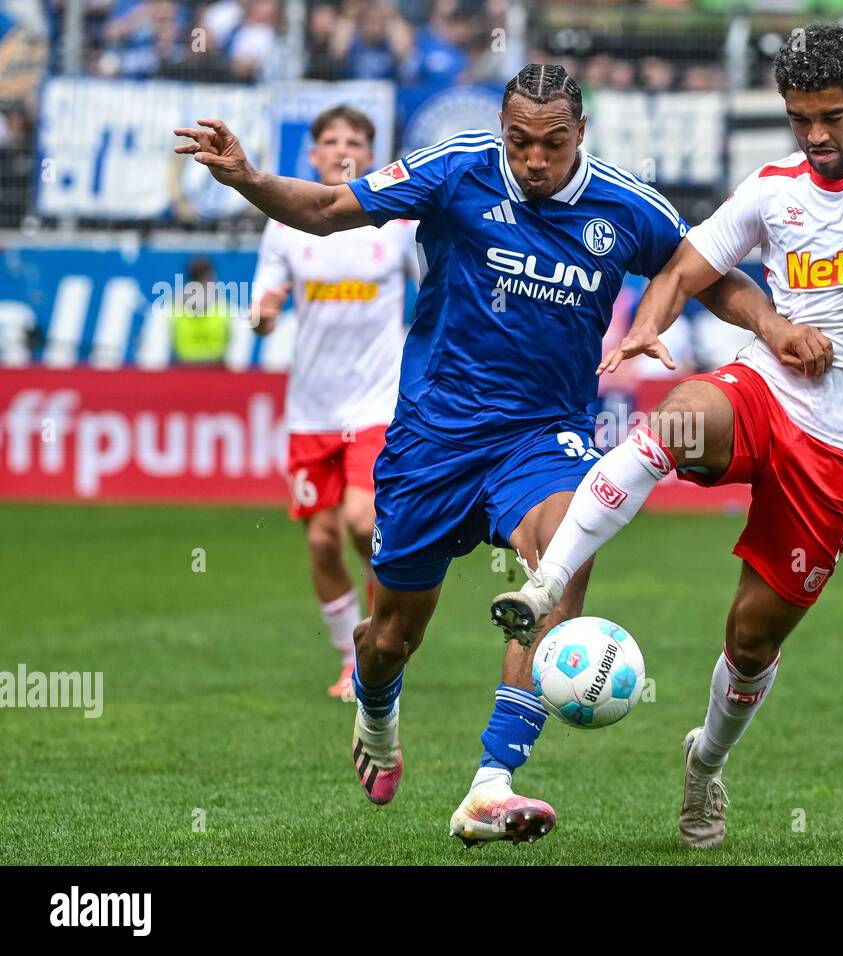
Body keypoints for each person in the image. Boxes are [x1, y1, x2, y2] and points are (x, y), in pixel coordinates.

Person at [175, 63, 780, 847]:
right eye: (520, 142)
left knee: (564, 551)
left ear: (581, 136)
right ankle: (377, 711)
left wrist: (773, 328)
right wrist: (247, 176)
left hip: (543, 435)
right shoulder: (456, 168)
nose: (534, 160)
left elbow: (705, 275)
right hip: (432, 438)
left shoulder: (627, 208)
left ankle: (491, 784)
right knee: (390, 637)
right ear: (502, 132)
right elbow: (326, 209)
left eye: (553, 145)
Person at [490, 24, 843, 849]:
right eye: (800, 117)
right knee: (669, 424)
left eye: (833, 116)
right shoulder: (772, 188)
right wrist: (647, 328)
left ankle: (704, 764)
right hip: (764, 390)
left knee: (749, 640)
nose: (816, 135)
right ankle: (542, 589)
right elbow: (683, 268)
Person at [248, 105, 421, 701]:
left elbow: (435, 290)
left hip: (375, 405)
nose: (342, 148)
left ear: (371, 158)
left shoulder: (395, 226)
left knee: (362, 520)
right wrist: (264, 313)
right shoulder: (285, 226)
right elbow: (266, 295)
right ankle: (353, 656)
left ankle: (383, 641)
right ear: (314, 155)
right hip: (310, 410)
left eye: (354, 140)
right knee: (322, 540)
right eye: (330, 140)